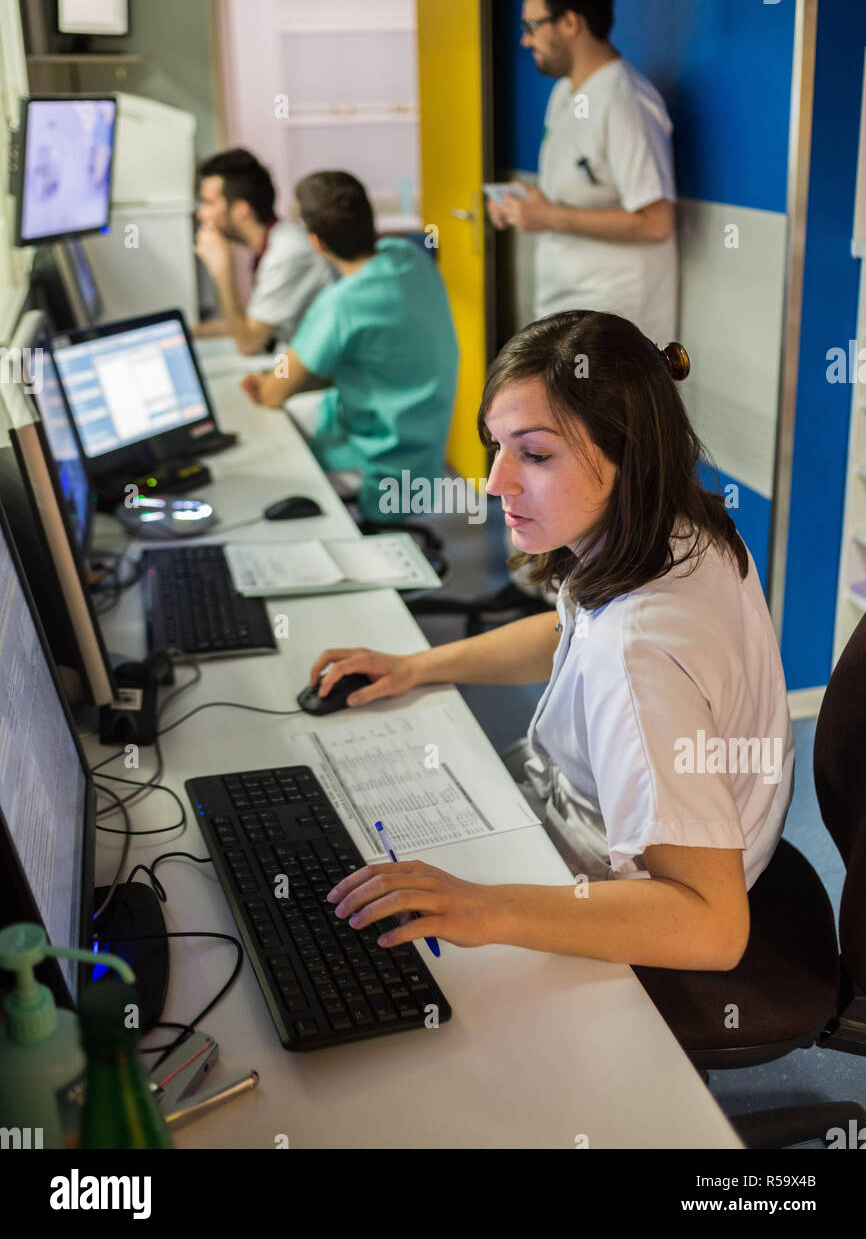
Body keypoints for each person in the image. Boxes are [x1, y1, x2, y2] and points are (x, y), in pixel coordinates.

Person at [307, 311, 794, 971]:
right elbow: (571, 631)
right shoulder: (681, 527)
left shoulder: (640, 654)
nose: (495, 484)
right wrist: (415, 666)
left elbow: (712, 926)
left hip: (649, 893)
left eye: (535, 455)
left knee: (360, 915)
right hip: (694, 827)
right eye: (497, 447)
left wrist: (488, 909)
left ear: (630, 451)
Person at [240, 170, 459, 523]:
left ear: (316, 243)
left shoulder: (341, 304)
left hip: (381, 460)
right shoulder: (410, 256)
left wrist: (268, 382)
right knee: (299, 413)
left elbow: (273, 394)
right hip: (424, 444)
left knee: (268, 456)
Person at [488, 0, 677, 346]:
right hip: (564, 309)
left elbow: (656, 222)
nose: (525, 40)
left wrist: (550, 216)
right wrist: (522, 205)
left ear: (571, 23)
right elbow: (575, 188)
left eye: (531, 26)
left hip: (614, 322)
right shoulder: (563, 94)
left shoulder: (626, 100)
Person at [193, 148, 333, 353]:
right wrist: (193, 331)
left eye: (208, 203)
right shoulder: (276, 240)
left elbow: (248, 343)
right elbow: (253, 320)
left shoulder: (287, 253)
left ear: (241, 209)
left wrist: (222, 270)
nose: (201, 214)